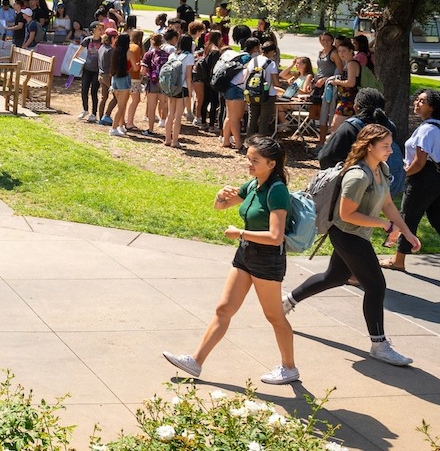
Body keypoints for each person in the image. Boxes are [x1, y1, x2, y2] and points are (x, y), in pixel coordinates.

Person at [163, 136, 298, 384]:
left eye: (254, 160)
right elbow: (220, 207)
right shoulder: (255, 184)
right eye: (248, 159)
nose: (249, 164)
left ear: (271, 163)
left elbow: (276, 237)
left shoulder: (277, 190)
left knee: (275, 316)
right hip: (246, 255)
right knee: (224, 309)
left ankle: (289, 368)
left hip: (267, 260)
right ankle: (195, 362)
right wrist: (219, 195)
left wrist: (240, 233)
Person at [283, 124, 421, 367]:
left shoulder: (381, 167)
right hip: (346, 234)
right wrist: (384, 225)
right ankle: (379, 345)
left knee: (333, 277)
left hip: (356, 235)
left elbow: (388, 203)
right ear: (370, 147)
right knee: (376, 286)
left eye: (390, 145)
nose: (391, 150)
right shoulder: (357, 176)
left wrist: (407, 232)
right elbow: (347, 214)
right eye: (385, 146)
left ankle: (288, 301)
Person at [383, 90, 440, 271]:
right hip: (436, 178)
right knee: (437, 218)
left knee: (407, 217)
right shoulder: (436, 127)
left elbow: (420, 161)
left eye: (422, 101)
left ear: (432, 107)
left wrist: (404, 174)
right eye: (417, 99)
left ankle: (398, 260)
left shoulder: (427, 129)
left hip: (422, 178)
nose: (416, 102)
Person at [108, 32, 134, 137]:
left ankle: (120, 126)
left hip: (115, 78)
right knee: (122, 106)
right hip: (124, 79)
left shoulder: (115, 51)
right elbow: (135, 67)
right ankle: (114, 128)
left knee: (120, 105)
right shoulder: (128, 53)